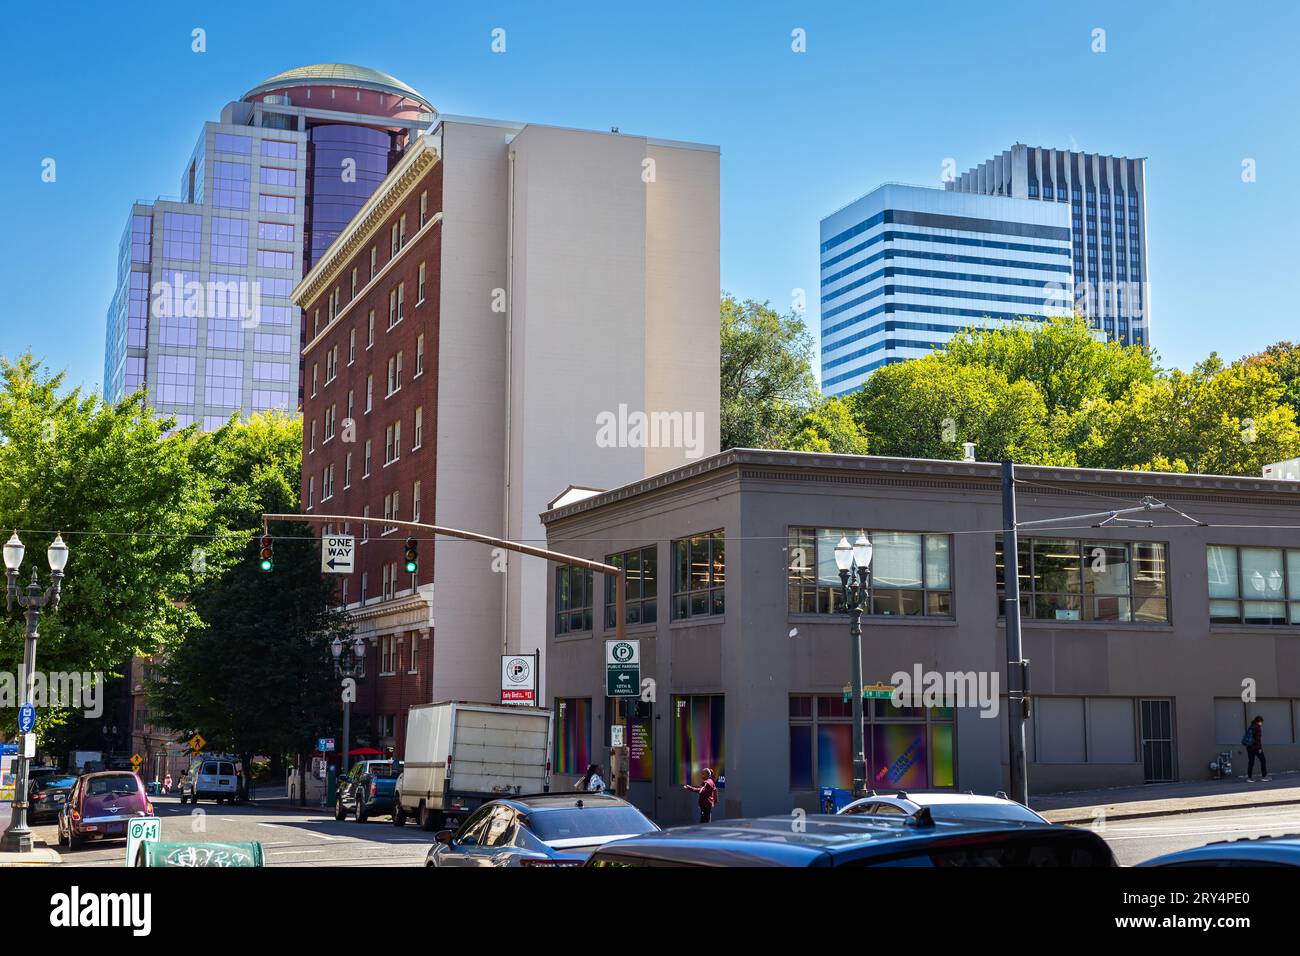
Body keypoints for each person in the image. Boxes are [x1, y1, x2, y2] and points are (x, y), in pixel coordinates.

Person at [1246, 716, 1270, 782]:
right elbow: (1257, 739)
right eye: (1261, 722)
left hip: (1249, 747)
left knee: (1251, 762)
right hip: (1256, 747)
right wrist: (1259, 748)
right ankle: (1264, 776)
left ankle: (1249, 778)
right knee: (1263, 760)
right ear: (1259, 721)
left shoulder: (1251, 726)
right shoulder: (1257, 728)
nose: (1262, 723)